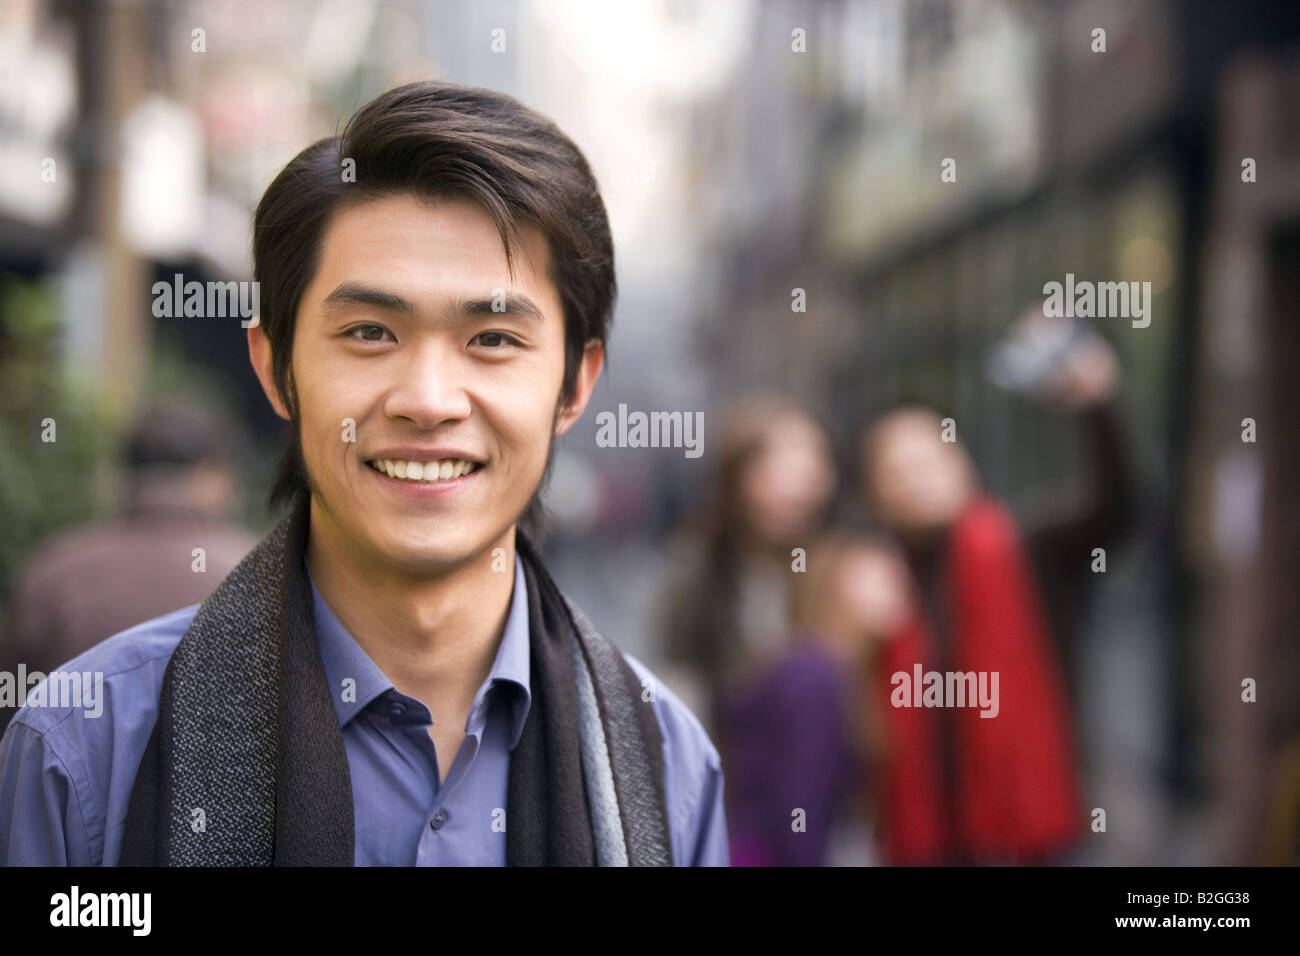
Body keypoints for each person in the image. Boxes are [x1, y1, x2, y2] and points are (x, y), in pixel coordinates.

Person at [0, 80, 727, 867]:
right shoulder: (88, 752)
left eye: (492, 339)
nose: (427, 401)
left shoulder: (665, 771)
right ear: (276, 367)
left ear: (575, 386)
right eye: (371, 331)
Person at [859, 406, 1087, 866]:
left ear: (962, 466)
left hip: (1017, 834)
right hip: (929, 834)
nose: (914, 481)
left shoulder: (1018, 546)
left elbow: (1113, 509)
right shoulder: (871, 576)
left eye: (925, 463)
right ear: (877, 492)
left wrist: (1094, 405)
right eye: (897, 470)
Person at [0, 401, 257, 737]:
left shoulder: (54, 572)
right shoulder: (260, 575)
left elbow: (11, 708)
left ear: (122, 476)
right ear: (210, 475)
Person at [722, 533, 910, 866]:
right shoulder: (815, 676)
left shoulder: (844, 672)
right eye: (877, 577)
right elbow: (800, 806)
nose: (896, 586)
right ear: (834, 589)